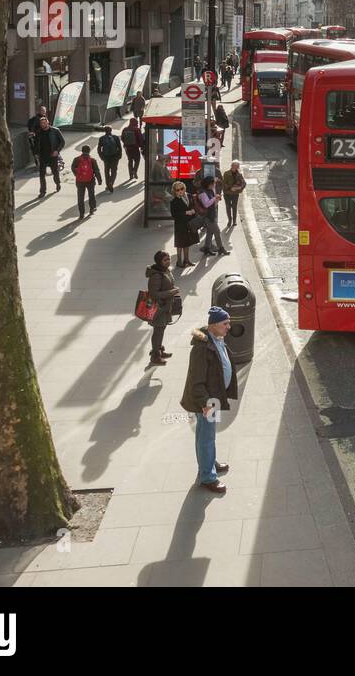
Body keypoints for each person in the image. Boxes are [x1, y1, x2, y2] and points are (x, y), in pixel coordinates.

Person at [179, 306, 237, 493]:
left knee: (207, 435)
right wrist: (205, 404)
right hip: (207, 402)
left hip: (214, 398)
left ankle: (209, 462)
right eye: (225, 323)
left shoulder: (216, 339)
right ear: (213, 325)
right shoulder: (201, 349)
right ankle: (207, 477)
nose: (229, 327)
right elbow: (197, 381)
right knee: (206, 437)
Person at [145, 251, 180, 365]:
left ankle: (159, 350)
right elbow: (154, 294)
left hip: (165, 307)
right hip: (159, 308)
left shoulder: (165, 270)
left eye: (169, 259)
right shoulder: (156, 275)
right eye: (165, 260)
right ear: (159, 261)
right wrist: (172, 292)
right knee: (158, 331)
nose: (168, 261)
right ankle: (155, 355)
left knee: (161, 329)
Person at [170, 181, 198, 268]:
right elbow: (174, 215)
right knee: (180, 244)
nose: (180, 191)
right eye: (177, 190)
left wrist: (193, 210)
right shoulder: (174, 201)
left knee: (187, 242)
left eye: (181, 189)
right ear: (174, 191)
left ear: (184, 188)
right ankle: (179, 262)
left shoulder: (189, 195)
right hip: (180, 224)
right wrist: (186, 212)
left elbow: (193, 205)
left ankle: (187, 260)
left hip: (189, 223)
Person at [197, 175, 227, 256]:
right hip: (207, 216)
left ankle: (207, 248)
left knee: (210, 232)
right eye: (213, 183)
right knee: (217, 231)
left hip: (212, 214)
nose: (214, 185)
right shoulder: (202, 193)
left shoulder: (210, 190)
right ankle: (221, 248)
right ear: (208, 184)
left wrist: (216, 199)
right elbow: (206, 204)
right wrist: (214, 198)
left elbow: (213, 204)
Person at [36, 117, 65, 197]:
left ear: (48, 123)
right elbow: (36, 144)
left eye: (44, 123)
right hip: (42, 156)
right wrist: (36, 153)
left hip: (53, 155)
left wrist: (57, 151)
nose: (43, 125)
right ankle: (42, 191)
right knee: (42, 175)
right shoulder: (38, 132)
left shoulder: (55, 131)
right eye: (41, 123)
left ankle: (58, 183)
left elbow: (62, 142)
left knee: (55, 172)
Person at [71, 145, 100, 219]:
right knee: (91, 194)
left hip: (80, 181)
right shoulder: (92, 160)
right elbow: (96, 170)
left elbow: (73, 167)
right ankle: (92, 209)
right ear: (89, 151)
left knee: (80, 197)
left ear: (82, 151)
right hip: (90, 180)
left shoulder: (77, 159)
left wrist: (77, 175)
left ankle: (81, 213)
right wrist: (99, 179)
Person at [220, 160, 246, 228]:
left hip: (235, 194)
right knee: (228, 207)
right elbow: (223, 183)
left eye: (237, 166)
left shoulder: (239, 175)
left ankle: (234, 220)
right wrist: (230, 188)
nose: (236, 167)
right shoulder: (226, 173)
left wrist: (239, 188)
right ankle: (229, 220)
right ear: (231, 166)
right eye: (234, 166)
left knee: (234, 207)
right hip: (227, 193)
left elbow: (244, 183)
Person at [96, 126, 122, 192]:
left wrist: (101, 156)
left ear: (105, 131)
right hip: (114, 157)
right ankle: (111, 183)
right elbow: (119, 147)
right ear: (111, 130)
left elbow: (99, 149)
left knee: (106, 171)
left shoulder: (101, 138)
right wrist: (119, 155)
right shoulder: (115, 137)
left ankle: (108, 184)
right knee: (114, 171)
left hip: (106, 157)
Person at [27, 105, 48, 169]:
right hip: (37, 138)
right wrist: (32, 133)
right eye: (43, 110)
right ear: (40, 111)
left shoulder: (44, 117)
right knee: (37, 152)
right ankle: (38, 165)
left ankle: (41, 164)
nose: (44, 112)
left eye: (45, 110)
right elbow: (33, 127)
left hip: (43, 137)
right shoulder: (36, 118)